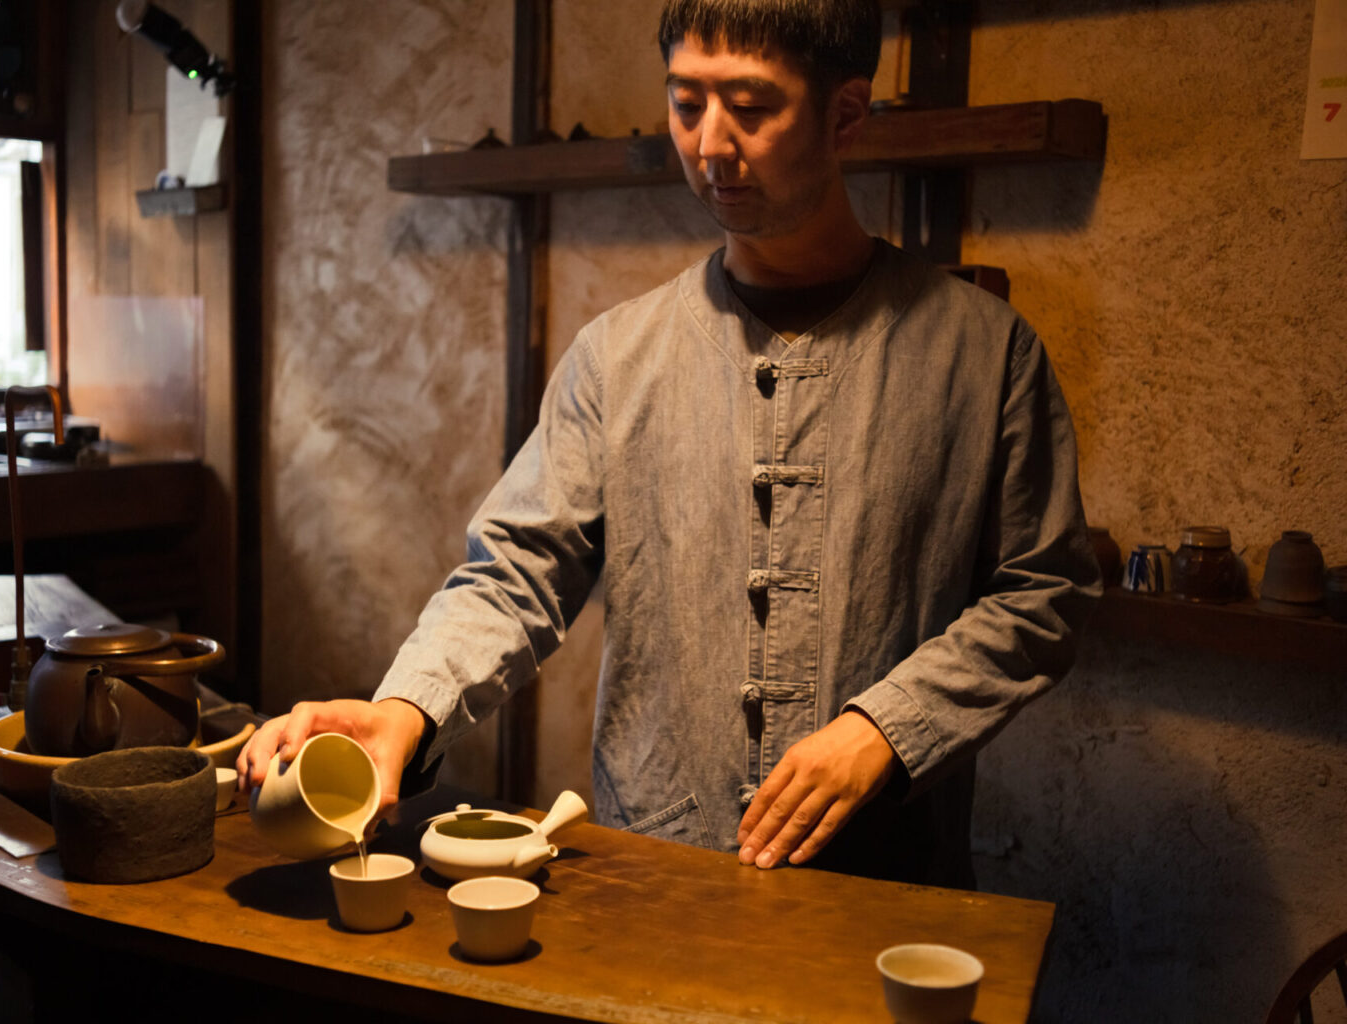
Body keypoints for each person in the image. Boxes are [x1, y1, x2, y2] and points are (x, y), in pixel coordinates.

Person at [238, 0, 1101, 888]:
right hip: (653, 874)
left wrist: (885, 726)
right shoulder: (617, 357)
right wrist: (406, 709)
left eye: (751, 109)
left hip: (882, 885)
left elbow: (1044, 594)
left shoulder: (986, 353)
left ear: (846, 114)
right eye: (687, 104)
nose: (710, 146)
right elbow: (516, 571)